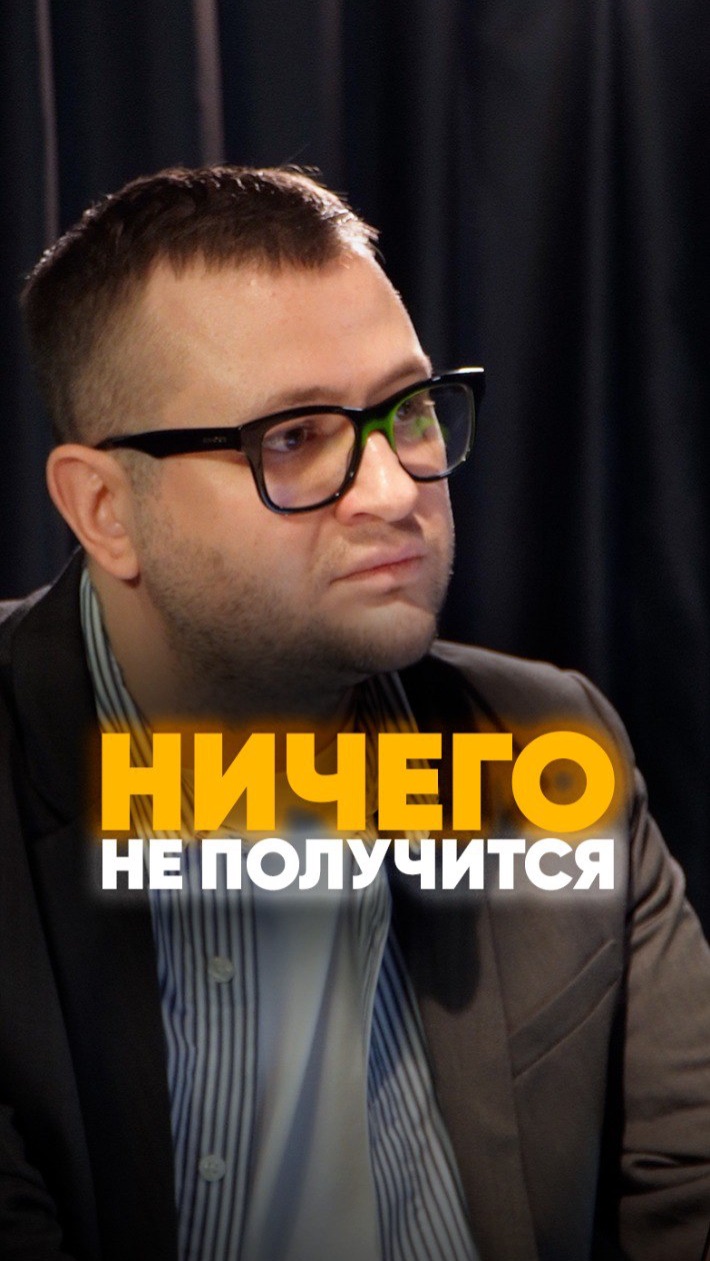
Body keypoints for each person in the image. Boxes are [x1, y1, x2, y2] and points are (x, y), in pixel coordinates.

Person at [1, 165, 708, 1261]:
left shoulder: (548, 747)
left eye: (406, 410)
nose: (391, 492)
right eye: (292, 438)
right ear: (105, 509)